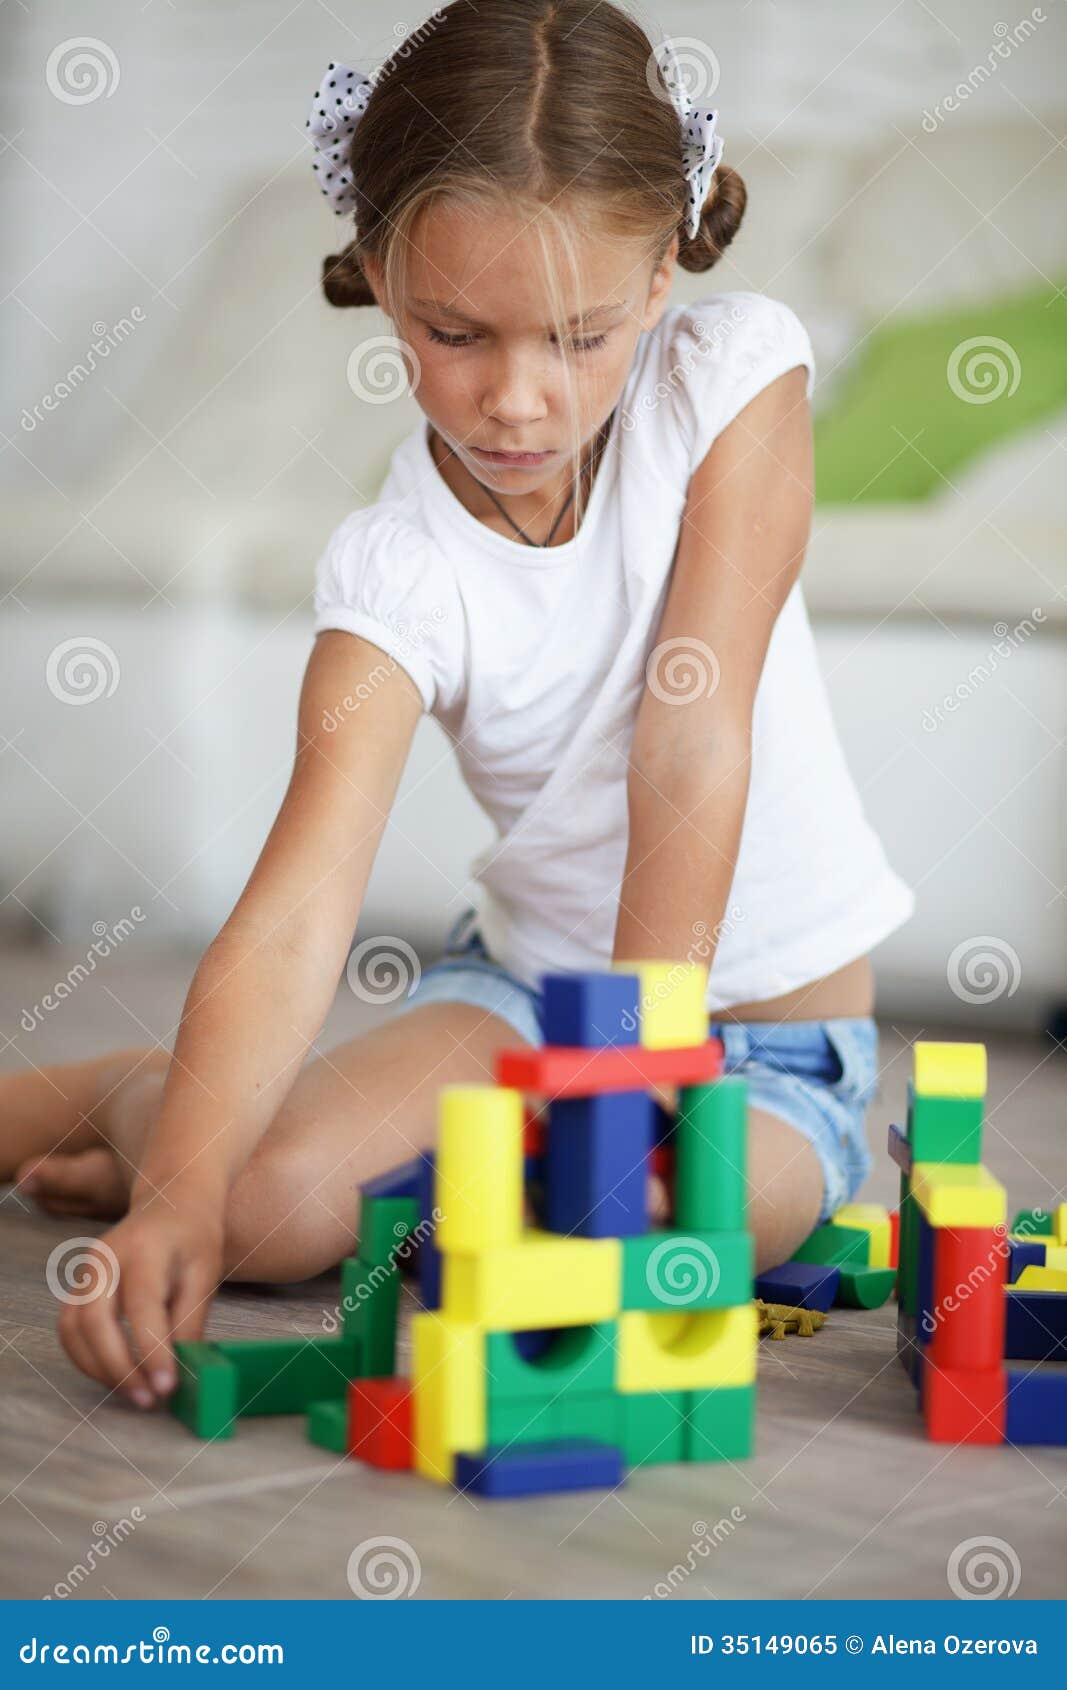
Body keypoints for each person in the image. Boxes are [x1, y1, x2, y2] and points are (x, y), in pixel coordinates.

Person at [3, 0, 914, 1412]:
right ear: (378, 276)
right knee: (254, 1218)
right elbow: (302, 902)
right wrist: (181, 1194)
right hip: (518, 993)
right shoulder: (395, 571)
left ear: (664, 273)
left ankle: (211, 1114)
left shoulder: (737, 383)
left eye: (580, 336)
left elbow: (693, 718)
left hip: (756, 1040)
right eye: (456, 330)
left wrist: (636, 1072)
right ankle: (141, 1100)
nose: (517, 399)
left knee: (667, 1244)